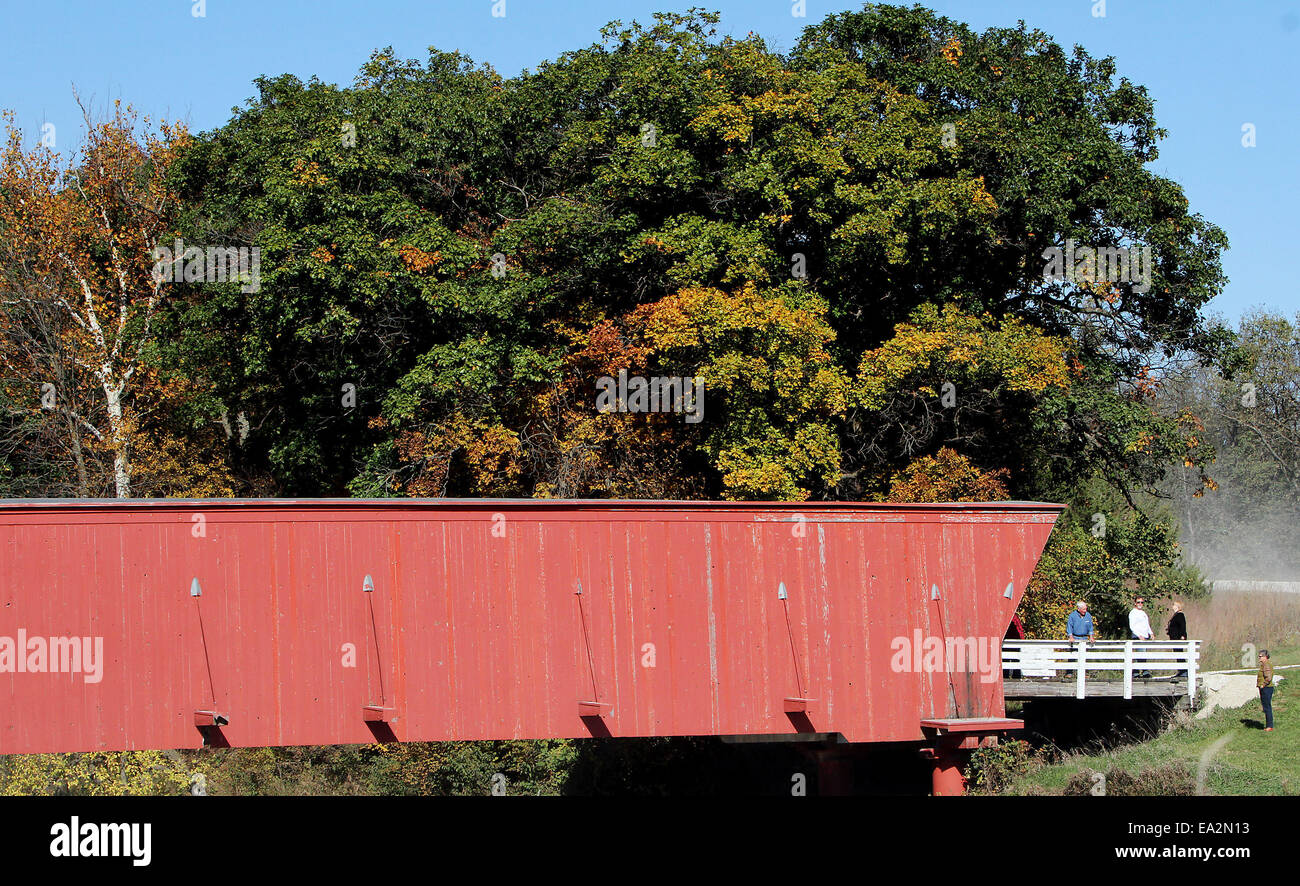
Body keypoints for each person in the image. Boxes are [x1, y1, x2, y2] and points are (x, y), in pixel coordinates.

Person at [1129, 596, 1154, 678]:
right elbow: (1132, 626)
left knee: (1142, 654)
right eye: (1138, 602)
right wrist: (1139, 635)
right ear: (1135, 603)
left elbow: (1147, 625)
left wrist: (1151, 633)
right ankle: (1142, 671)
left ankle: (1138, 672)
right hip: (1138, 636)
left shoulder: (1143, 613)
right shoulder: (1133, 613)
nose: (1140, 604)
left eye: (1142, 602)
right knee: (1140, 654)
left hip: (1144, 636)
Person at [1166, 602, 1188, 681]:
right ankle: (1181, 670)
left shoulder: (1180, 615)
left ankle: (1184, 671)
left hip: (1178, 638)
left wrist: (1183, 636)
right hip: (1174, 638)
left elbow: (1183, 625)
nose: (1172, 606)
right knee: (1177, 654)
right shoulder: (1176, 615)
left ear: (1178, 606)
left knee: (1179, 653)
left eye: (1174, 605)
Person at [1258, 650, 1275, 732]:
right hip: (1266, 688)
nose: (1259, 657)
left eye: (1260, 656)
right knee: (1266, 707)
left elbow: (1268, 677)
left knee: (1267, 707)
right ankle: (1269, 725)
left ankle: (1269, 726)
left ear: (1265, 657)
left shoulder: (1266, 665)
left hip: (1266, 688)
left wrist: (1263, 685)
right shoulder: (1264, 665)